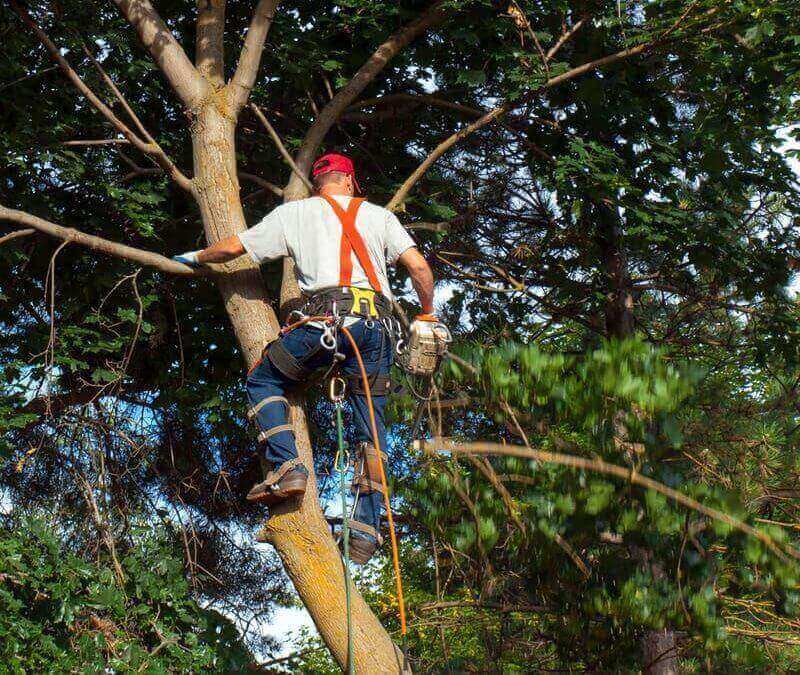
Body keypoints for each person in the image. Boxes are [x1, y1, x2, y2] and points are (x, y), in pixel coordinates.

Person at [172, 152, 440, 564]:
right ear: (350, 182)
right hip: (376, 332)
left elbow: (231, 248)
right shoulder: (380, 217)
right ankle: (366, 530)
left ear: (318, 185)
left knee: (264, 379)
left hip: (326, 324)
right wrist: (426, 314)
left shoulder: (292, 214)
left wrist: (194, 257)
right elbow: (420, 268)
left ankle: (287, 468)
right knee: (370, 427)